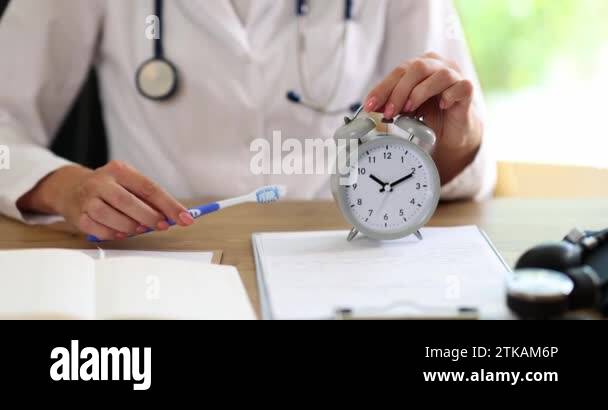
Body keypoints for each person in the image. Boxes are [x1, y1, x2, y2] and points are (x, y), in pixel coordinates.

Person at [0, 0, 495, 241]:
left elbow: (458, 154)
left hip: (343, 247)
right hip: (168, 253)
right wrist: (65, 187)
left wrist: (457, 134)